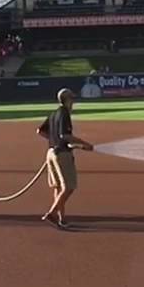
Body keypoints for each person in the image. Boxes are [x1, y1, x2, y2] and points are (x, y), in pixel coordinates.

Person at [37, 88, 93, 229]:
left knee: (58, 187)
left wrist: (54, 141)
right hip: (61, 155)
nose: (73, 102)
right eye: (72, 99)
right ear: (67, 100)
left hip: (51, 153)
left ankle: (61, 219)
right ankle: (52, 213)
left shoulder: (54, 113)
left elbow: (40, 131)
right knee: (69, 186)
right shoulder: (64, 113)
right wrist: (84, 143)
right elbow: (65, 136)